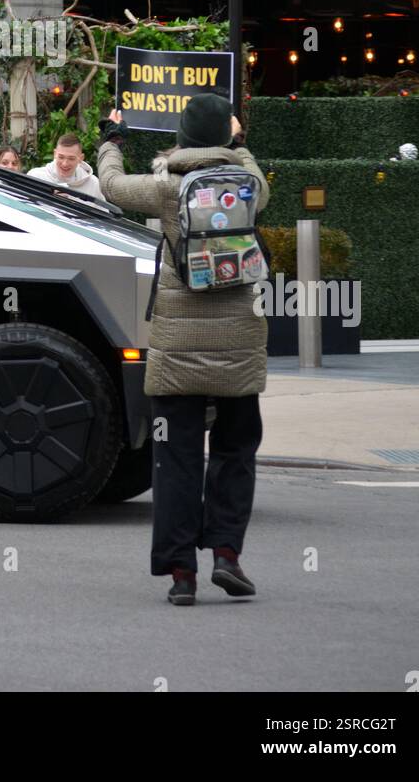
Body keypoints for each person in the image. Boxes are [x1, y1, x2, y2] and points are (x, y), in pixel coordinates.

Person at [97, 94, 270, 606]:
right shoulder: (248, 184)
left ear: (183, 136)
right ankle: (226, 554)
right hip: (238, 343)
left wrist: (112, 137)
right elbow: (256, 176)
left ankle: (181, 574)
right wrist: (239, 145)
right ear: (225, 134)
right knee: (235, 452)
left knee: (176, 458)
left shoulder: (165, 187)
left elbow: (110, 186)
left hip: (177, 347)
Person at [28, 132, 105, 201]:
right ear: (55, 154)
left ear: (81, 158)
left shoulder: (93, 184)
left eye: (71, 158)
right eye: (61, 157)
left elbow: (103, 215)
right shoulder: (35, 177)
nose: (65, 164)